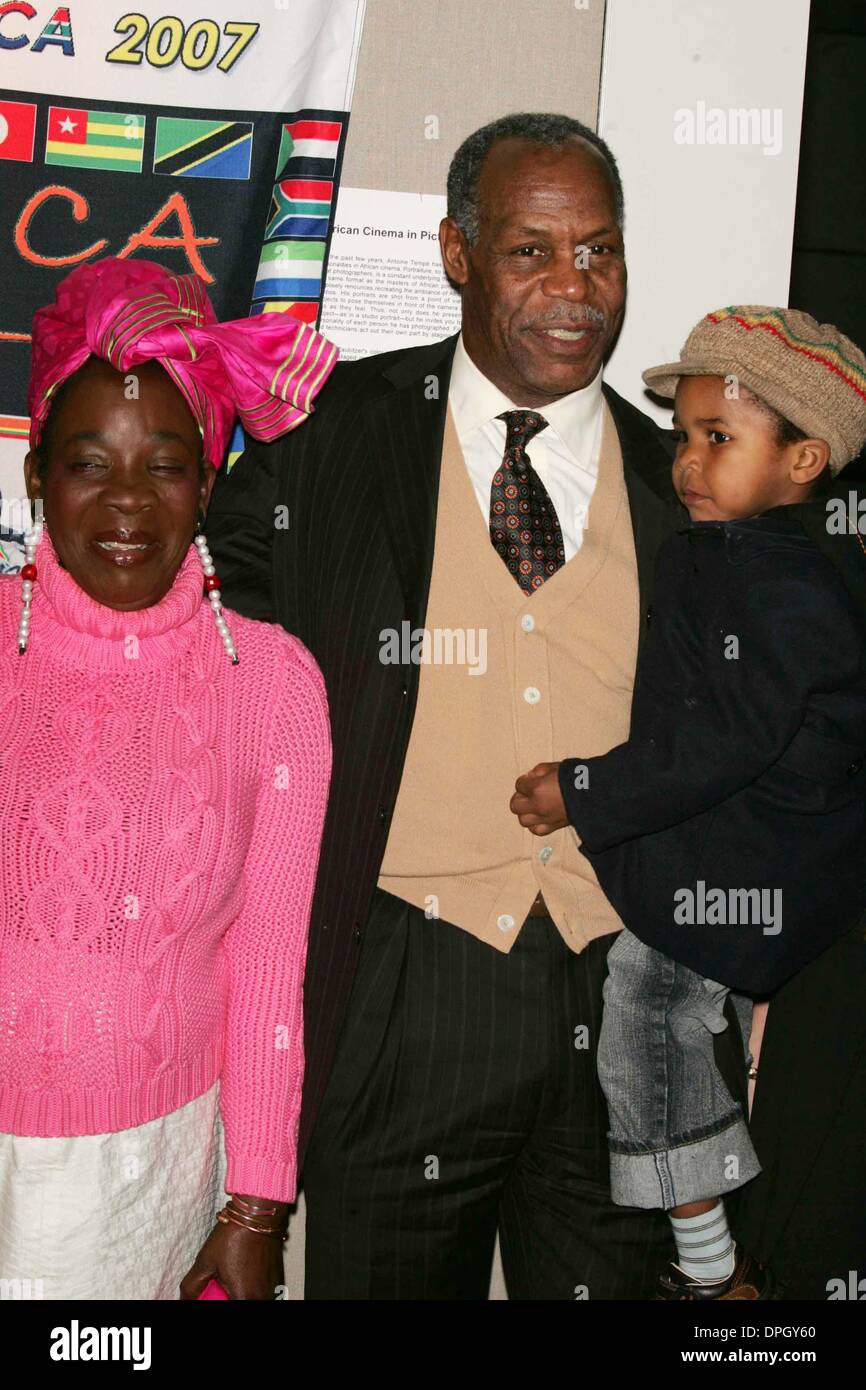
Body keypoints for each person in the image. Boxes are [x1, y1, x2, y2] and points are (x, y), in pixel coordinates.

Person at [206, 111, 756, 1299]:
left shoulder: (686, 487)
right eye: (530, 252)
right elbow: (206, 626)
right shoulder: (328, 437)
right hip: (405, 986)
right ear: (457, 253)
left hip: (625, 986)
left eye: (600, 251)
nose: (575, 288)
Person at [511, 305, 866, 1299]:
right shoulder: (753, 558)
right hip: (761, 861)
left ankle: (711, 1264)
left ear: (803, 460)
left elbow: (719, 742)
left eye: (718, 439)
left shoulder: (776, 579)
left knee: (643, 1001)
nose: (686, 462)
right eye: (682, 437)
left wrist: (581, 791)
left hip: (761, 864)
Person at [0, 256, 336, 1300]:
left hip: (141, 1177)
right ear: (37, 477)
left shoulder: (271, 684)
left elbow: (271, 970)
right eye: (89, 463)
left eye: (167, 463)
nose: (128, 502)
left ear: (208, 480)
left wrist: (255, 1206)